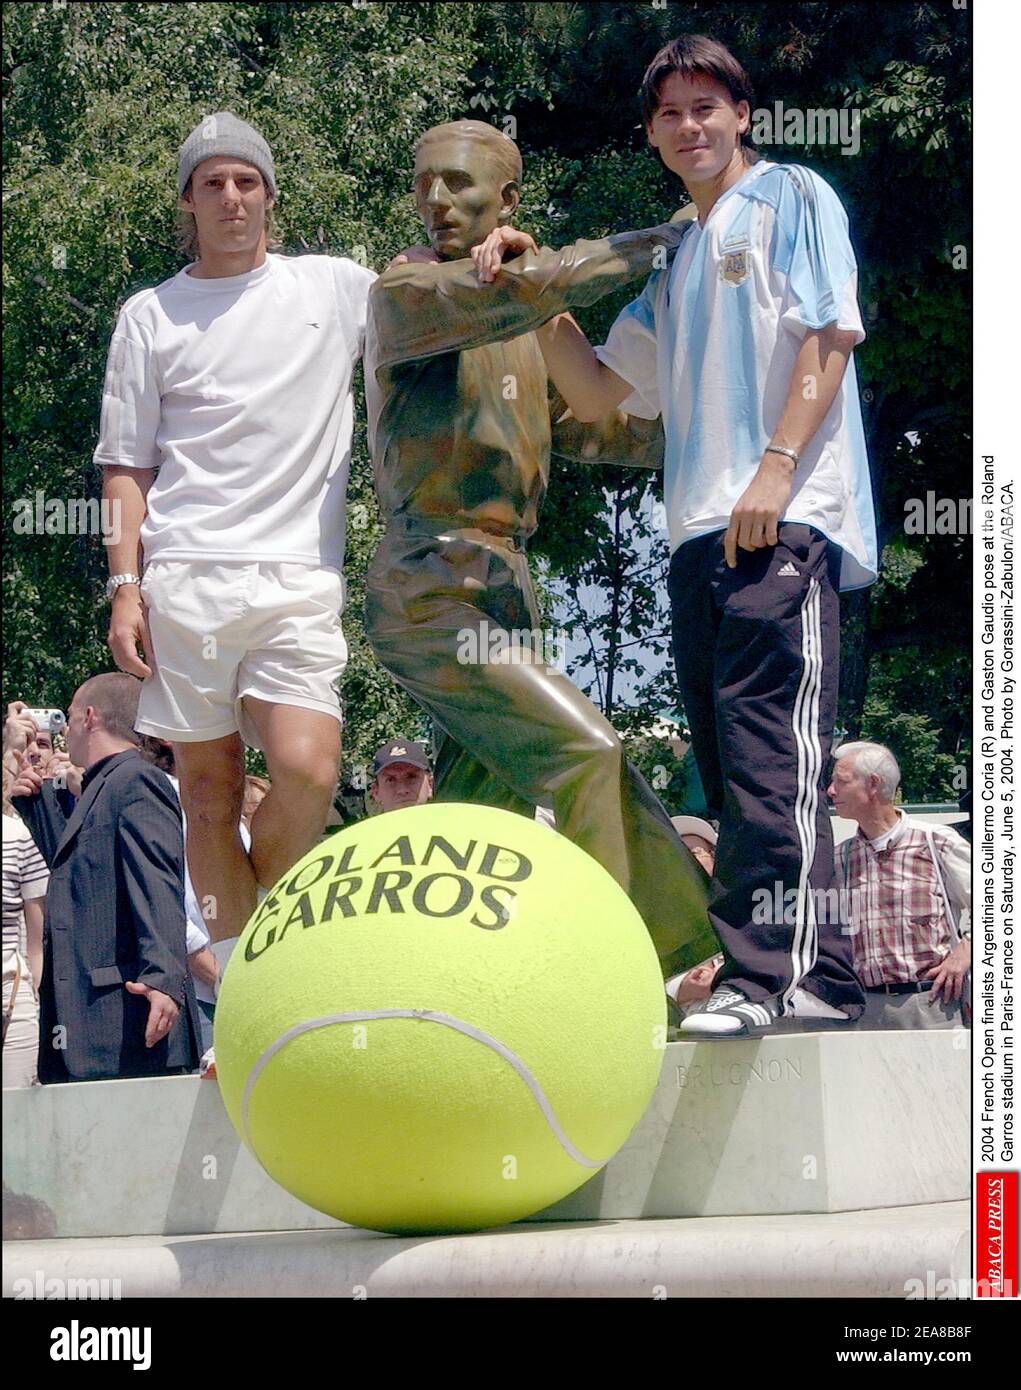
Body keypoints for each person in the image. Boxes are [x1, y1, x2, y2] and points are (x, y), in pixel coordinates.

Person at [507, 34, 875, 1033]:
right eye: (669, 114)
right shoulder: (675, 254)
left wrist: (776, 466)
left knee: (769, 757)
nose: (688, 126)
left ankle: (765, 982)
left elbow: (827, 336)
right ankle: (824, 981)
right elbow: (600, 387)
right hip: (696, 534)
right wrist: (537, 298)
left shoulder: (793, 197)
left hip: (781, 517)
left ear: (741, 114)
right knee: (745, 762)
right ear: (652, 133)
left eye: (705, 106)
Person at [363, 119, 717, 979]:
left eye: (458, 184)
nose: (436, 201)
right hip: (429, 584)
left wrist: (739, 441)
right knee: (586, 752)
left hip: (505, 590)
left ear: (507, 199)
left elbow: (605, 431)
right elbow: (543, 280)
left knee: (478, 818)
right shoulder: (406, 291)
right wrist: (681, 231)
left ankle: (441, 983)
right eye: (424, 183)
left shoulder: (524, 322)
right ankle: (655, 967)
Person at [97, 112, 375, 986]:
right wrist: (125, 586)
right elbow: (125, 466)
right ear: (188, 200)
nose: (230, 197)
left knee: (307, 768)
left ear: (269, 197)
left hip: (298, 579)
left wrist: (495, 251)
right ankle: (252, 987)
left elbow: (430, 292)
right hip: (184, 580)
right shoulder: (151, 314)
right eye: (211, 183)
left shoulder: (333, 288)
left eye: (245, 181)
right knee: (207, 797)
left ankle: (262, 930)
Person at [10, 674, 200, 1082]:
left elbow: (158, 882)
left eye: (71, 718)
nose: (66, 734)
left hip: (129, 1022)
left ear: (90, 717)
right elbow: (73, 875)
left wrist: (162, 978)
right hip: (93, 1026)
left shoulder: (136, 780)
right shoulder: (103, 786)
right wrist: (34, 802)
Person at [828, 741, 971, 1029]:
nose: (830, 791)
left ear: (873, 785)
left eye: (840, 782)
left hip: (932, 1004)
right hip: (865, 1008)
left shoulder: (936, 841)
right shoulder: (840, 857)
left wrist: (967, 950)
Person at [3, 766, 48, 1087]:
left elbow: (38, 937)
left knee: (17, 1118)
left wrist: (37, 996)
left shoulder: (17, 836)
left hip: (11, 993)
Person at [370, 740, 434, 814]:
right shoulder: (365, 826)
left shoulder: (449, 823)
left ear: (430, 785)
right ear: (376, 792)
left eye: (411, 777)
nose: (402, 790)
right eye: (390, 780)